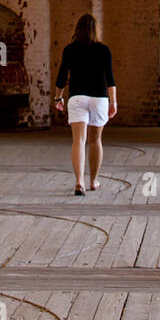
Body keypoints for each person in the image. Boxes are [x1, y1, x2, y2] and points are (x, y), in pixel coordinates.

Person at [54, 13, 117, 195]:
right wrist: (114, 102)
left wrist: (58, 97)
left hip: (77, 98)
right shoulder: (104, 50)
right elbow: (110, 79)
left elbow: (61, 77)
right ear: (95, 29)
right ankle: (93, 180)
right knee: (95, 140)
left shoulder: (69, 49)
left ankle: (79, 182)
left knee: (78, 141)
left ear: (77, 29)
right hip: (99, 99)